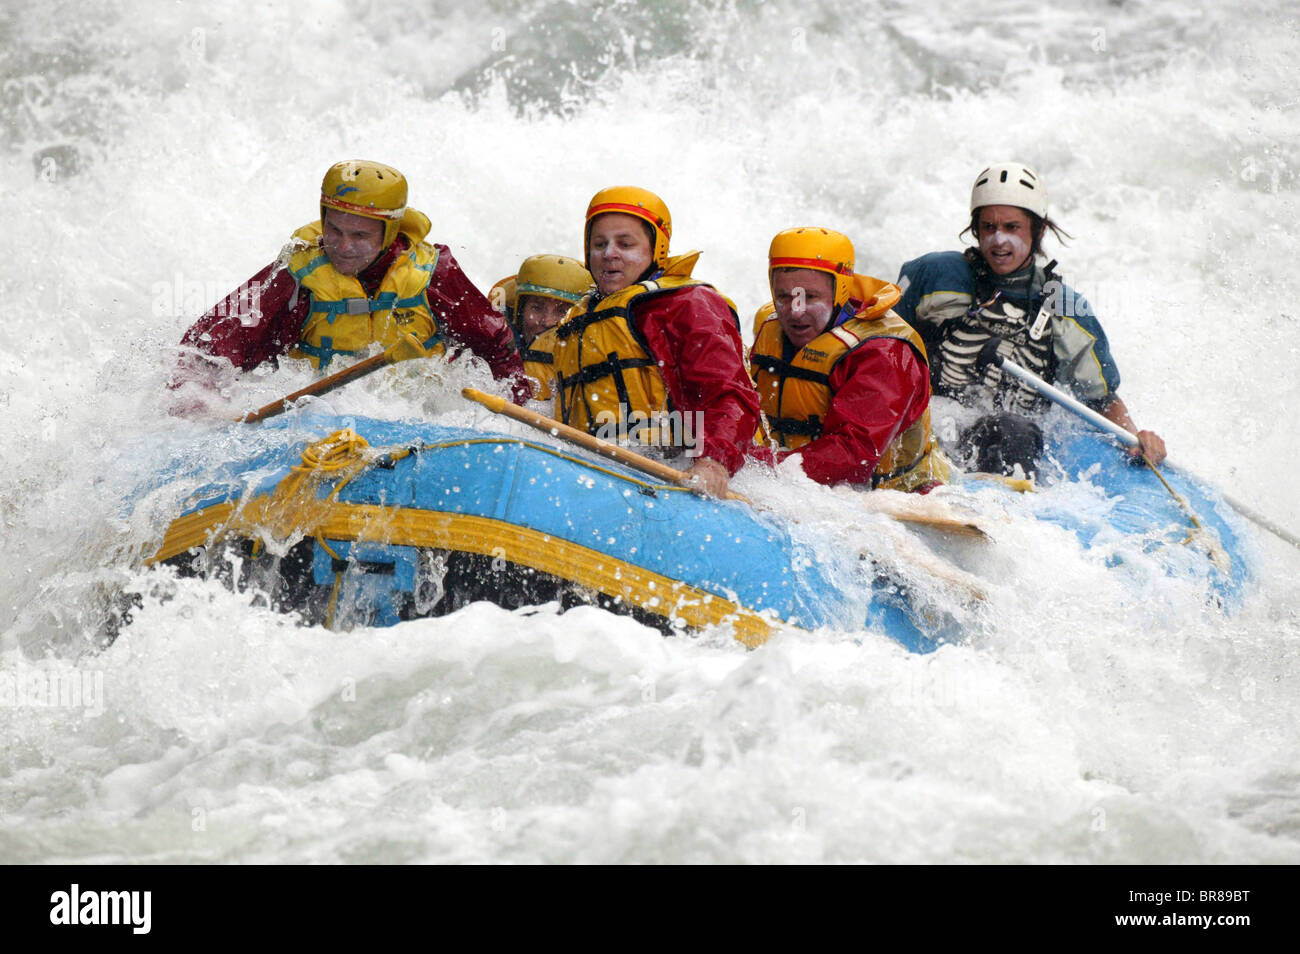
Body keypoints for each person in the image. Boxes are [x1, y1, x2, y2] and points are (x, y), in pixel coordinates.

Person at [177, 159, 529, 402]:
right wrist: (198, 398)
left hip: (419, 421)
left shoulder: (435, 274)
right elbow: (205, 347)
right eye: (334, 229)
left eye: (360, 235)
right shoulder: (296, 275)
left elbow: (497, 348)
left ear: (389, 232)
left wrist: (513, 413)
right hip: (321, 421)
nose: (343, 247)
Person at [895, 162, 1165, 475]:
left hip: (1014, 441)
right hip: (931, 419)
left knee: (1012, 430)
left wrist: (1135, 436)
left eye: (1012, 227)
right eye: (988, 227)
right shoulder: (935, 275)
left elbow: (1101, 400)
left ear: (1036, 232)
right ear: (975, 230)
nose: (999, 241)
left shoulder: (1065, 308)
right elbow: (880, 341)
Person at [551, 186, 761, 498]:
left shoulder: (687, 304)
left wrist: (715, 462)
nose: (609, 253)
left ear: (656, 249)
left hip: (671, 470)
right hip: (591, 470)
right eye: (599, 244)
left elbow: (730, 395)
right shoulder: (578, 317)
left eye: (625, 244)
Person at [749, 228, 949, 491]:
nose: (795, 312)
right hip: (793, 476)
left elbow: (855, 455)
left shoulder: (885, 352)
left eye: (811, 297)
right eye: (784, 296)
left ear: (840, 291)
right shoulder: (769, 321)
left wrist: (761, 467)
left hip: (893, 494)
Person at [489, 254, 592, 402]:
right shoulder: (489, 352)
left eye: (562, 311)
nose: (547, 321)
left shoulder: (589, 365)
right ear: (519, 312)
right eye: (537, 308)